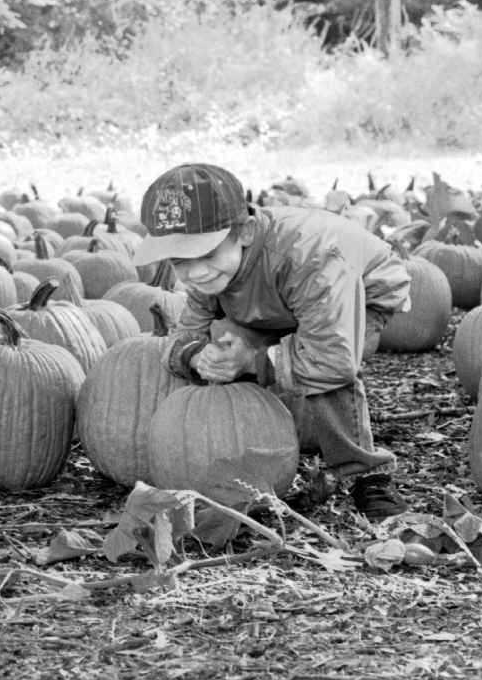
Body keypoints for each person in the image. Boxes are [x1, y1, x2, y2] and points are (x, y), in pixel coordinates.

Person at [132, 163, 413, 522]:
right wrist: (197, 356)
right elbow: (185, 334)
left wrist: (253, 361)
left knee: (322, 375)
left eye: (207, 254)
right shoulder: (210, 276)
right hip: (278, 300)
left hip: (358, 291)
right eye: (180, 262)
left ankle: (366, 474)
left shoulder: (311, 257)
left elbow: (331, 357)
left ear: (245, 232)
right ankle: (266, 453)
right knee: (227, 346)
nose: (196, 272)